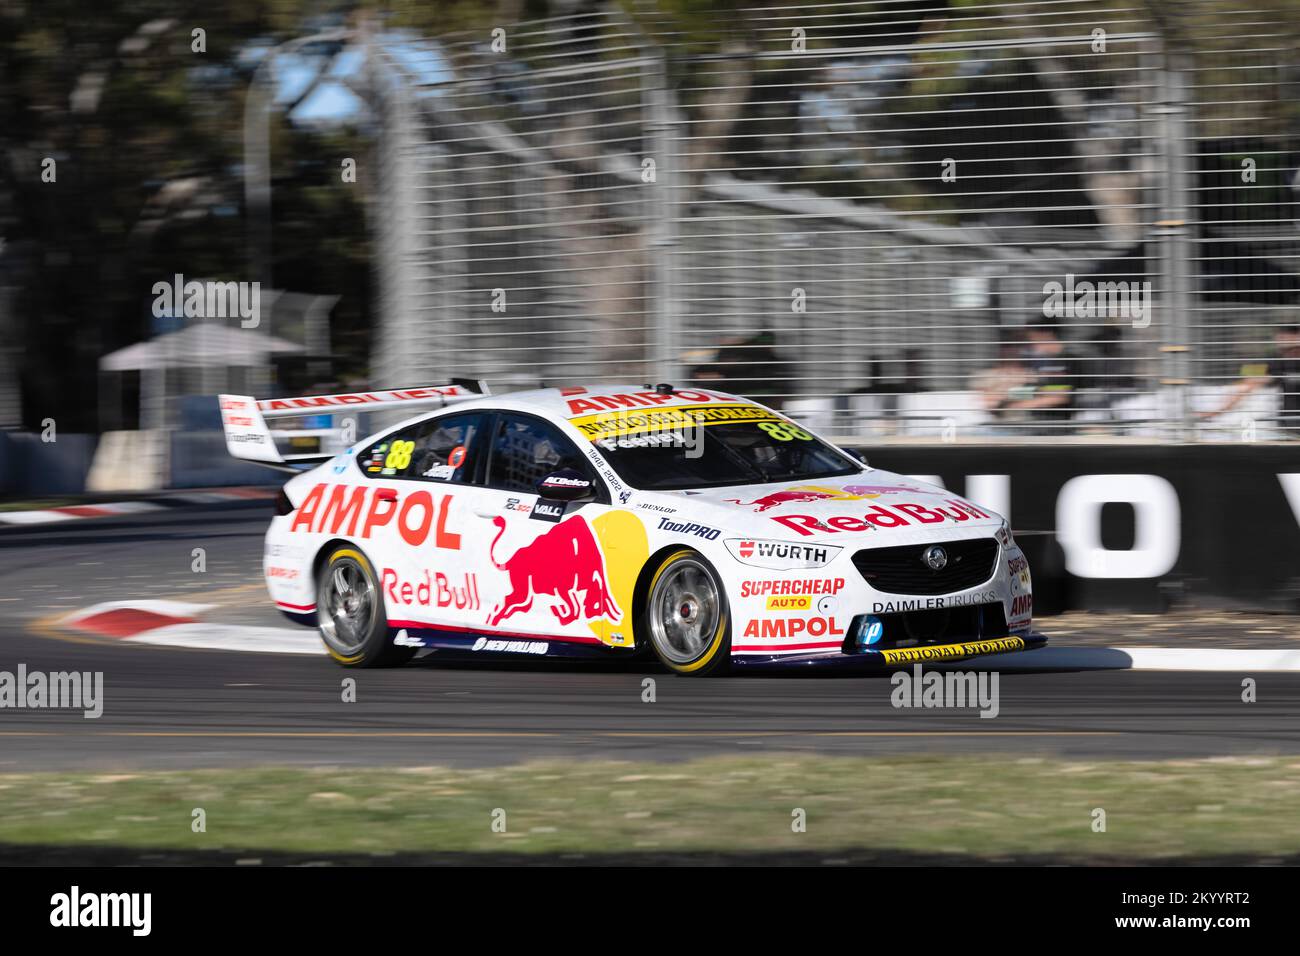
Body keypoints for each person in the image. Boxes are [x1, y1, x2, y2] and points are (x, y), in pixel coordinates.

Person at [1198, 324, 1300, 435]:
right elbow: (1246, 382)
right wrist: (1216, 412)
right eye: (1281, 339)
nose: (1284, 344)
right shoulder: (1272, 361)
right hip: (1289, 424)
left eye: (1290, 340)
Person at [1000, 319, 1085, 434]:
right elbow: (1041, 390)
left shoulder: (1064, 360)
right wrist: (1008, 394)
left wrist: (1018, 405)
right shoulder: (1049, 362)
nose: (1031, 344)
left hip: (1056, 428)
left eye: (1032, 338)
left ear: (1046, 335)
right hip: (1043, 425)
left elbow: (1058, 396)